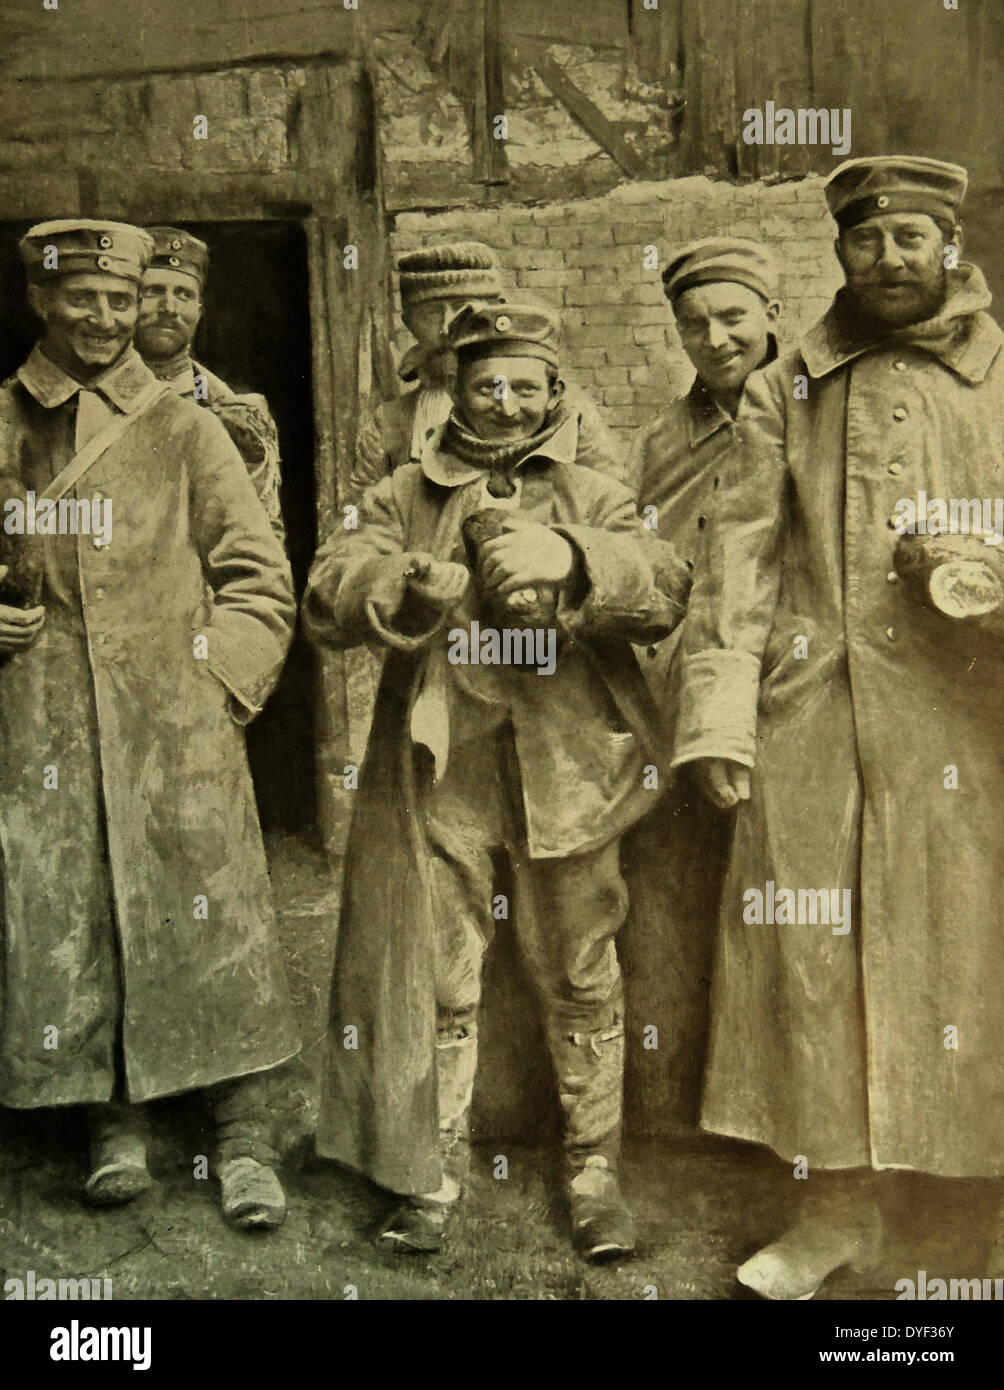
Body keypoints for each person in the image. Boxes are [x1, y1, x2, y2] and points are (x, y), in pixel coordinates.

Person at [672, 157, 1004, 1298]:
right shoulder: (786, 390)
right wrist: (719, 717)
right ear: (839, 255)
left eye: (911, 237)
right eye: (865, 241)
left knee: (968, 963)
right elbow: (736, 559)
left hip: (970, 725)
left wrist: (982, 574)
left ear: (949, 245)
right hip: (810, 722)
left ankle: (975, 1217)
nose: (889, 260)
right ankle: (834, 1213)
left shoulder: (1001, 374)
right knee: (811, 965)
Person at [304, 301, 691, 1260]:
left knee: (578, 967)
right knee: (442, 972)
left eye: (526, 384)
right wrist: (396, 583)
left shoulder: (593, 489)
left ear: (556, 392)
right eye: (487, 385)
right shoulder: (406, 488)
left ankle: (594, 1173)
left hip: (571, 761)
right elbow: (326, 581)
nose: (507, 401)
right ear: (455, 394)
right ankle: (431, 1170)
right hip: (446, 761)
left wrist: (575, 556)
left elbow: (668, 582)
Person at [0, 219, 299, 1231]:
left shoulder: (184, 427)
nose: (103, 318)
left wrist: (215, 691)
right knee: (78, 914)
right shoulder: (2, 419)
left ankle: (245, 1133)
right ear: (41, 300)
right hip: (44, 721)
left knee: (216, 918)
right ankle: (111, 1118)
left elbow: (258, 578)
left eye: (120, 301)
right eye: (80, 297)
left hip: (177, 719)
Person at [620, 239, 781, 1131]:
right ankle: (675, 1106)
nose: (716, 338)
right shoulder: (659, 441)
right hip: (682, 692)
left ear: (771, 314)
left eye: (734, 317)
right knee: (675, 895)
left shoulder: (810, 407)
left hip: (787, 684)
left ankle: (768, 1116)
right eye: (695, 323)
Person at [351, 241, 627, 496]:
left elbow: (613, 503)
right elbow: (361, 520)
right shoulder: (390, 423)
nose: (447, 327)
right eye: (431, 313)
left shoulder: (565, 413)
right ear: (408, 321)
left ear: (498, 310)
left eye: (463, 308)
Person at [135, 226, 284, 542]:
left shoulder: (238, 415)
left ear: (199, 311)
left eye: (184, 294)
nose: (169, 309)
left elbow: (262, 536)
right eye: (153, 292)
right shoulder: (88, 400)